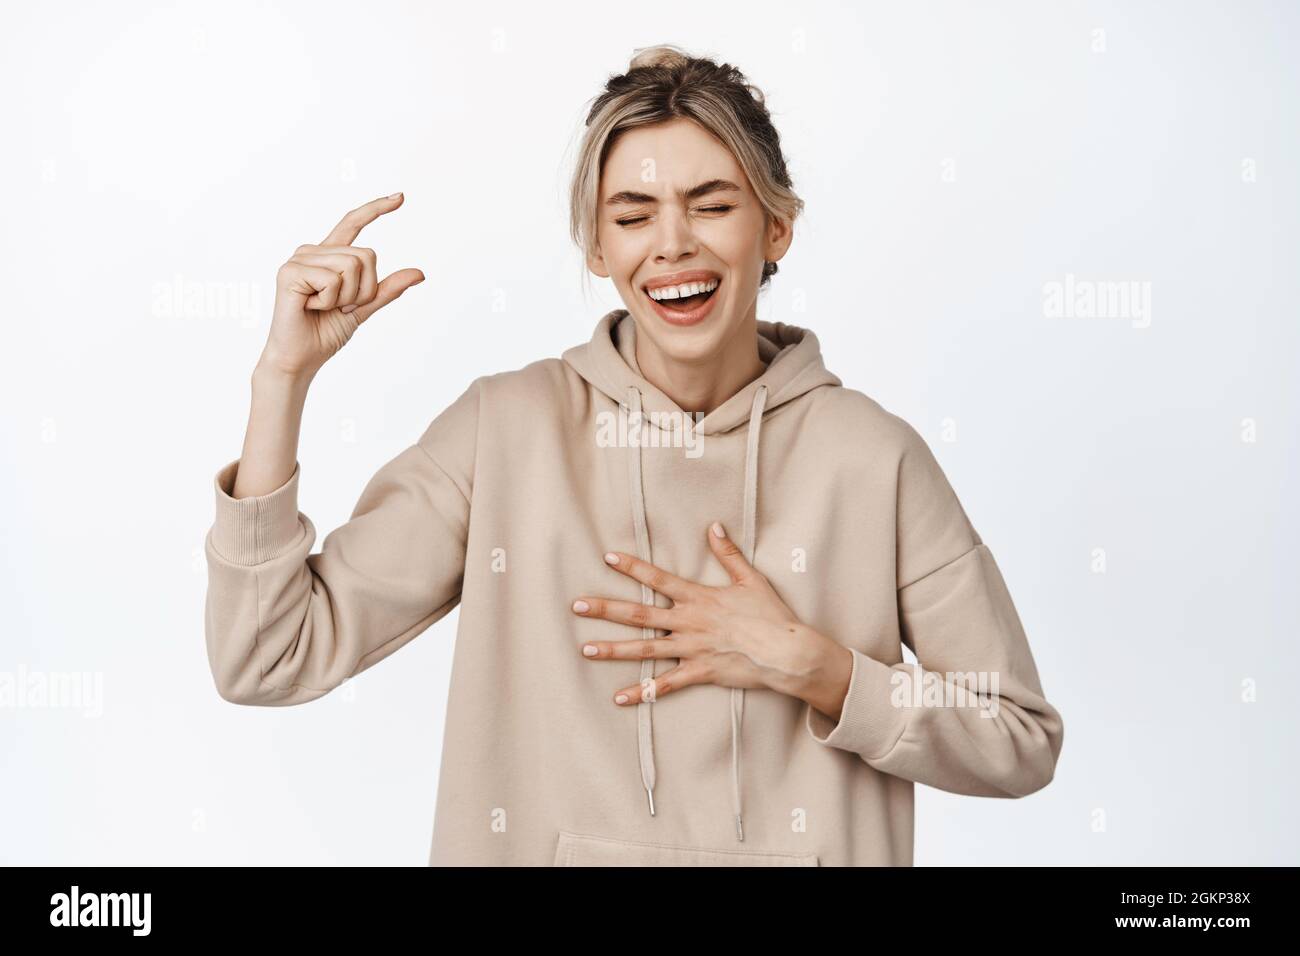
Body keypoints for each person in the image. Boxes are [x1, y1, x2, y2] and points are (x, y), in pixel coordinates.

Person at [204, 43, 1064, 866]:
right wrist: (283, 379)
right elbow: (267, 656)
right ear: (597, 246)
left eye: (713, 204)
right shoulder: (504, 429)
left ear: (777, 229)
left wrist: (821, 668)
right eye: (633, 214)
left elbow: (1017, 739)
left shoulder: (875, 459)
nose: (673, 243)